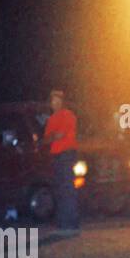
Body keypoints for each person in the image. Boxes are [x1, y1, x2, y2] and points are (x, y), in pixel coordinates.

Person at [43, 90, 80, 235]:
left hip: (66, 154)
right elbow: (47, 138)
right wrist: (53, 136)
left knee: (68, 189)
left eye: (58, 100)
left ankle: (70, 224)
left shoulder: (68, 115)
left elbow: (59, 135)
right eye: (53, 101)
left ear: (62, 102)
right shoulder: (52, 119)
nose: (55, 103)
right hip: (57, 155)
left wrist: (53, 136)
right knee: (60, 189)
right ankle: (64, 223)